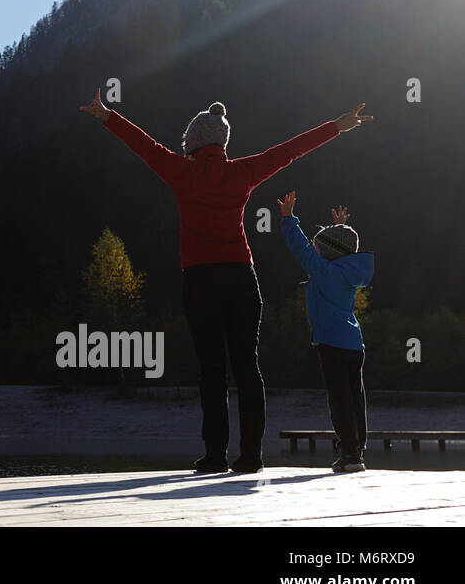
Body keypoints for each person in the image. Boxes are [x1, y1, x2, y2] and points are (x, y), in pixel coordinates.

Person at [79, 92, 372, 473]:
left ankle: (215, 454)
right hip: (240, 279)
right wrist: (337, 126)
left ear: (193, 144)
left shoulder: (181, 172)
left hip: (200, 280)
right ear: (222, 142)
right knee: (247, 366)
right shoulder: (241, 172)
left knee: (212, 370)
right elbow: (289, 151)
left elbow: (145, 146)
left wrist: (106, 116)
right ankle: (251, 456)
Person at [276, 192, 373, 472]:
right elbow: (343, 248)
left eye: (320, 248)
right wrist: (341, 228)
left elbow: (300, 248)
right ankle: (358, 451)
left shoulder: (324, 272)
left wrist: (288, 219)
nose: (315, 251)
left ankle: (350, 454)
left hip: (332, 343)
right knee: (355, 397)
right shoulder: (348, 271)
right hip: (355, 344)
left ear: (328, 252)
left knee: (339, 399)